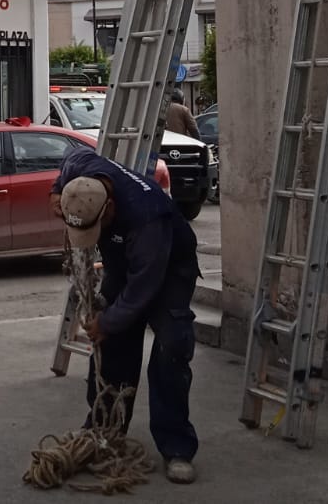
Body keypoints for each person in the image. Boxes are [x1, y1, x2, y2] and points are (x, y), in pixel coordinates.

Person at [51, 147, 200, 485]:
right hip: (124, 260)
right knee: (114, 345)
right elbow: (69, 159)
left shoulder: (149, 219)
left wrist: (108, 321)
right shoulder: (83, 169)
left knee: (171, 347)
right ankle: (104, 427)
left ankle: (176, 446)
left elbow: (142, 289)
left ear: (110, 209)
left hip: (169, 267)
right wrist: (56, 192)